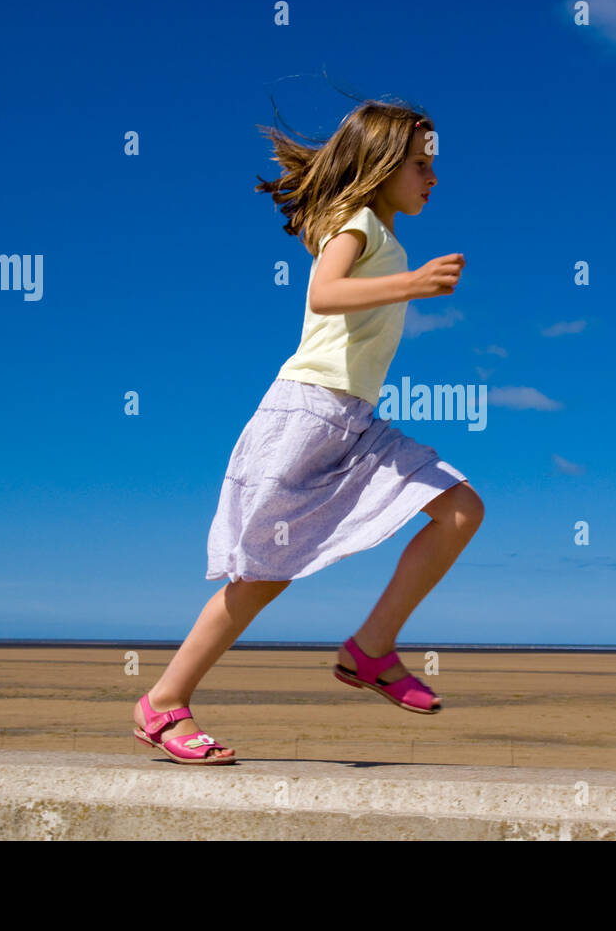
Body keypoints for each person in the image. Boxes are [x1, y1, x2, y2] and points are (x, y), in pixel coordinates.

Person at [132, 100, 485, 764]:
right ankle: (162, 703)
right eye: (419, 164)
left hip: (355, 420)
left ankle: (371, 650)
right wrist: (411, 282)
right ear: (379, 166)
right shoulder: (356, 225)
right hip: (308, 414)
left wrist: (405, 277)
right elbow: (324, 293)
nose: (432, 176)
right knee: (262, 576)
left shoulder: (384, 233)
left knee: (461, 508)